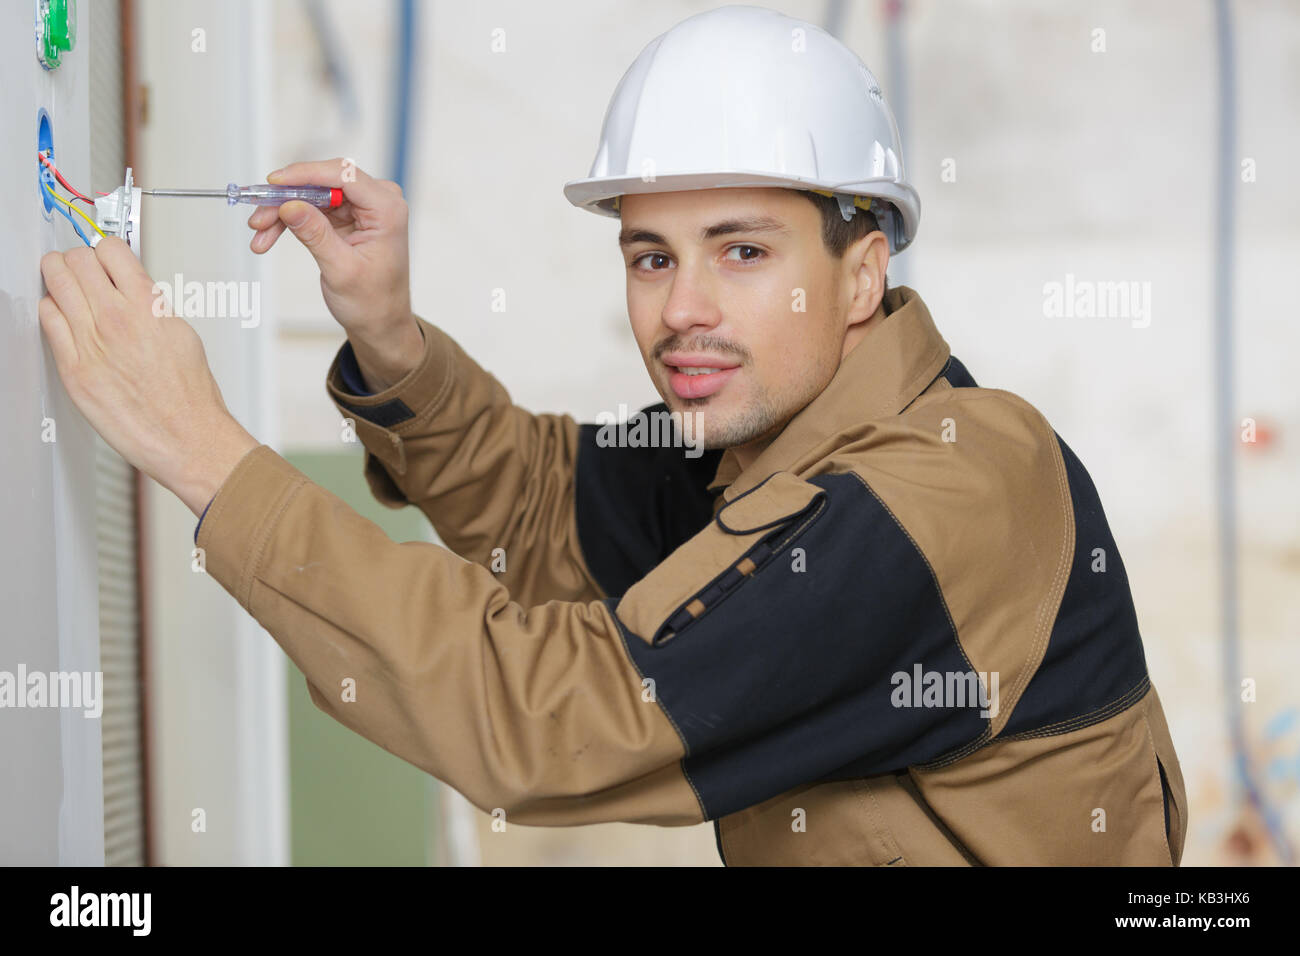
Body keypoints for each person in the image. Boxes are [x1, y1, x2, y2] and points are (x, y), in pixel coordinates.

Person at [37, 4, 1186, 865]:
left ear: (860, 272)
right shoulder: (765, 441)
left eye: (742, 250)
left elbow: (544, 721)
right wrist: (388, 334)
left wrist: (203, 451)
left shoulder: (943, 495)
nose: (681, 307)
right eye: (650, 256)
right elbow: (544, 503)